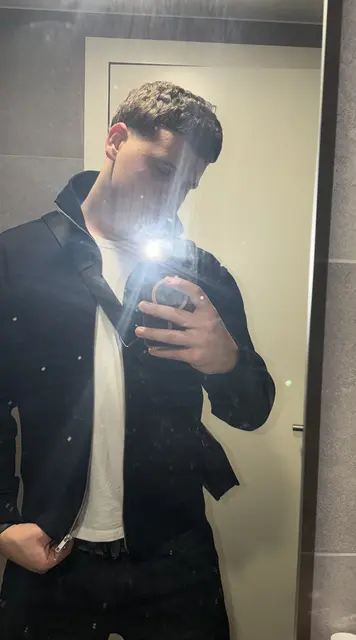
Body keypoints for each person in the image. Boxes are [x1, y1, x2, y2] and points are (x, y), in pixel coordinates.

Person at [0, 81, 275, 639]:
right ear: (115, 139)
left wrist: (226, 361)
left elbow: (252, 409)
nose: (169, 198)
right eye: (160, 170)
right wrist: (2, 521)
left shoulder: (202, 274)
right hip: (52, 550)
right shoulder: (17, 258)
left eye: (185, 185)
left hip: (175, 557)